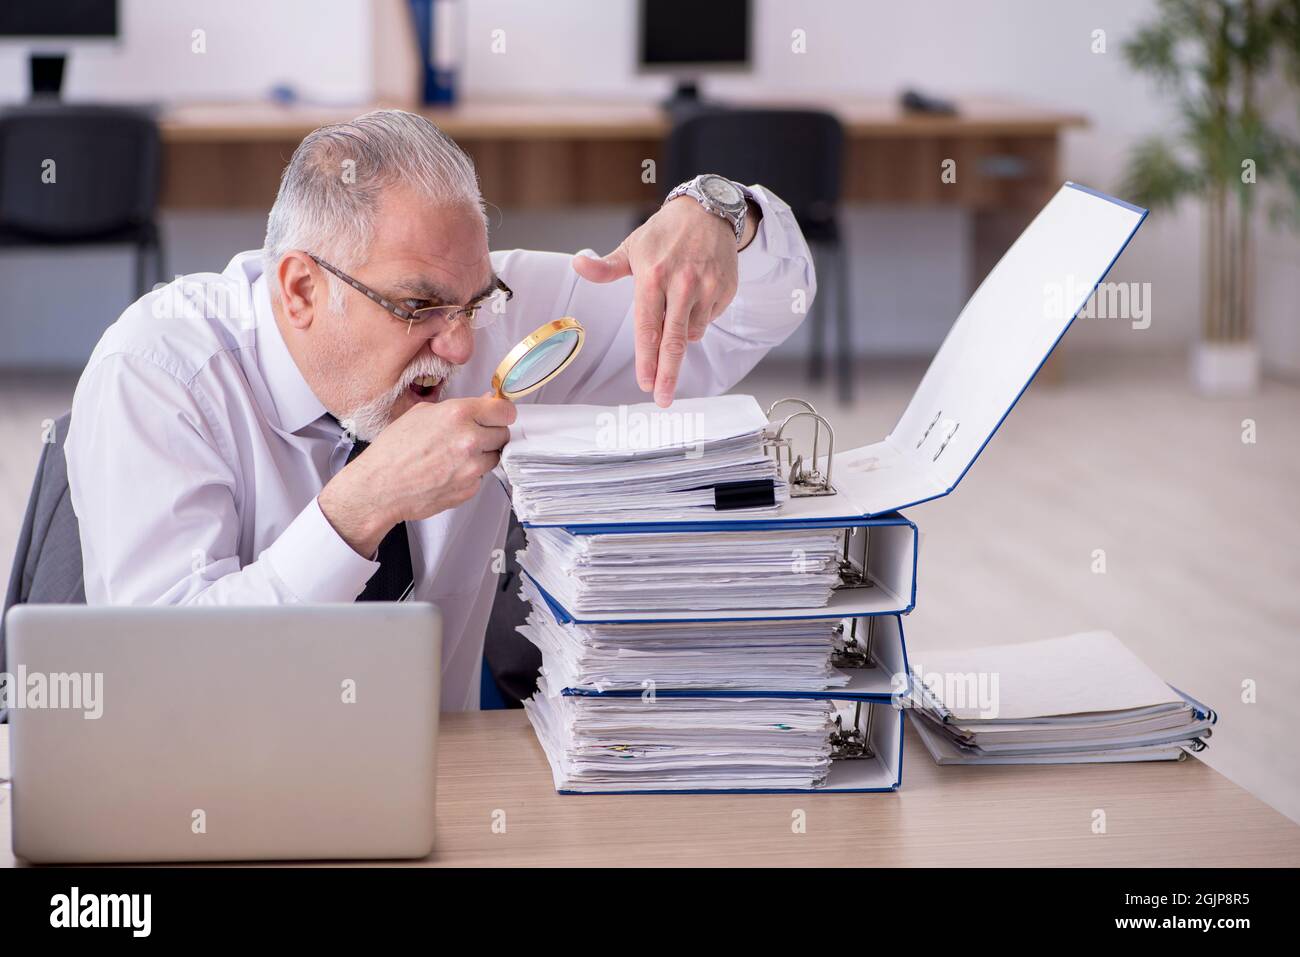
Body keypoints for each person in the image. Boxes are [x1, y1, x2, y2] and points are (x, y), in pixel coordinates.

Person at [65, 109, 814, 709]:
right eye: (417, 305)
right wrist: (358, 509)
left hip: (448, 784)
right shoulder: (159, 371)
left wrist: (720, 213)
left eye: (475, 302)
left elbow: (765, 311)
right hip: (217, 800)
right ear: (300, 290)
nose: (458, 348)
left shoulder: (497, 320)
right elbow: (157, 680)